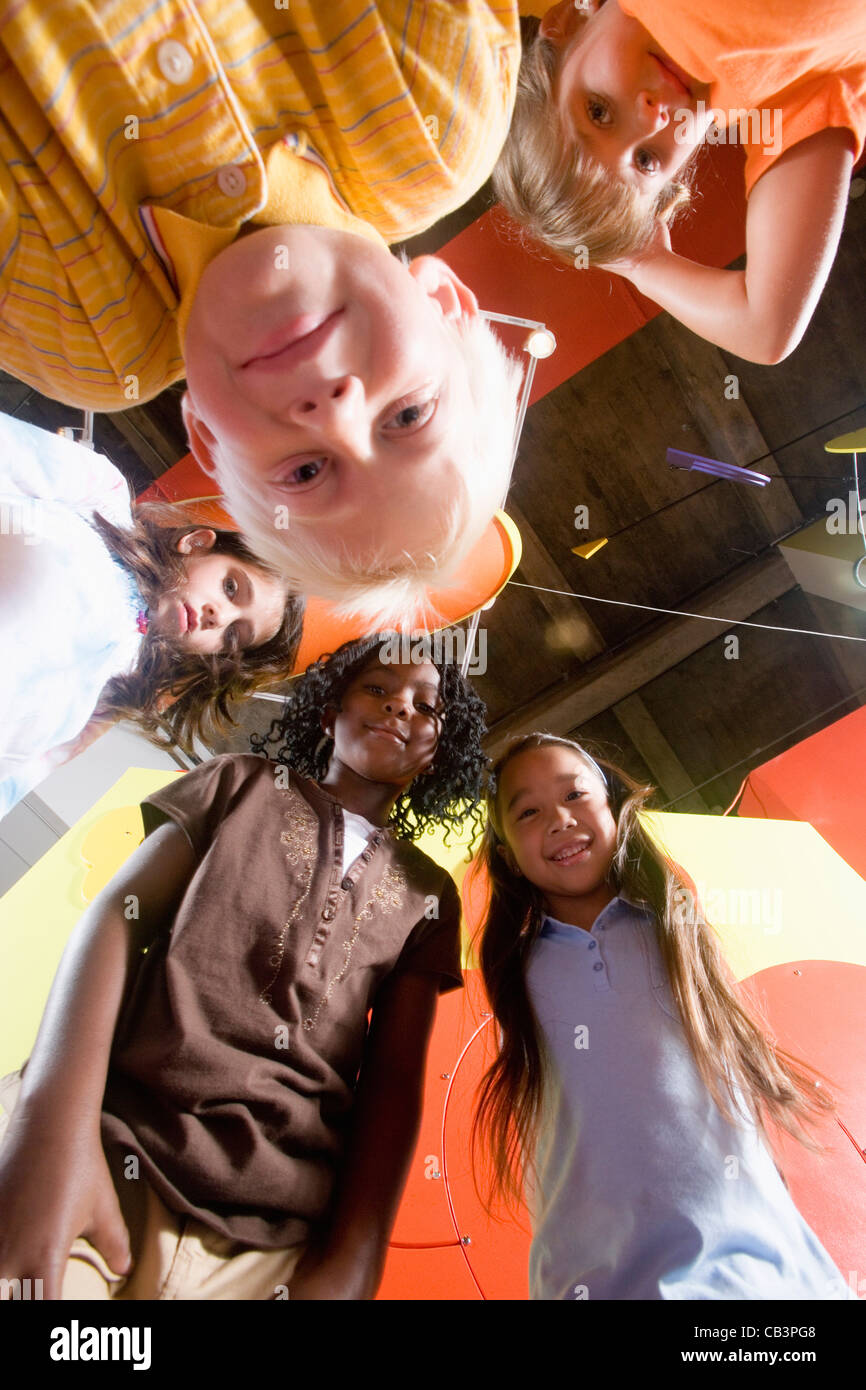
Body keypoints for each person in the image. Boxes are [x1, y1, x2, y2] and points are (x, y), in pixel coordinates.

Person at [0, 1, 524, 625]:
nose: (334, 414)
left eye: (306, 471)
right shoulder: (435, 131)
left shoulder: (86, 344)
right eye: (409, 415)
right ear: (442, 302)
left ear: (208, 439)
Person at [0, 636, 488, 1300]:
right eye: (377, 688)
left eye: (425, 707)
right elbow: (117, 918)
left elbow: (393, 1083)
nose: (400, 707)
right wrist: (52, 1130)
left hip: (268, 1243)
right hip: (109, 1148)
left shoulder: (429, 895)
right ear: (328, 713)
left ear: (438, 751)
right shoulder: (237, 784)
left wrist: (357, 1258)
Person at [472, 733, 851, 1299]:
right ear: (507, 855)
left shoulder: (675, 929)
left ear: (613, 809)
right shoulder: (518, 975)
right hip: (600, 1281)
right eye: (528, 812)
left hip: (761, 1272)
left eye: (575, 795)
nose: (559, 819)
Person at [494, 0, 865, 364]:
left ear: (568, 21)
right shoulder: (779, 101)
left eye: (598, 111)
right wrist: (642, 262)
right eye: (645, 160)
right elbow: (765, 328)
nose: (651, 119)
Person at [0, 413, 301, 821]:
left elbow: (18, 776)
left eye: (234, 635)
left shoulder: (115, 696)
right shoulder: (102, 496)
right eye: (231, 587)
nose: (219, 616)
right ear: (197, 543)